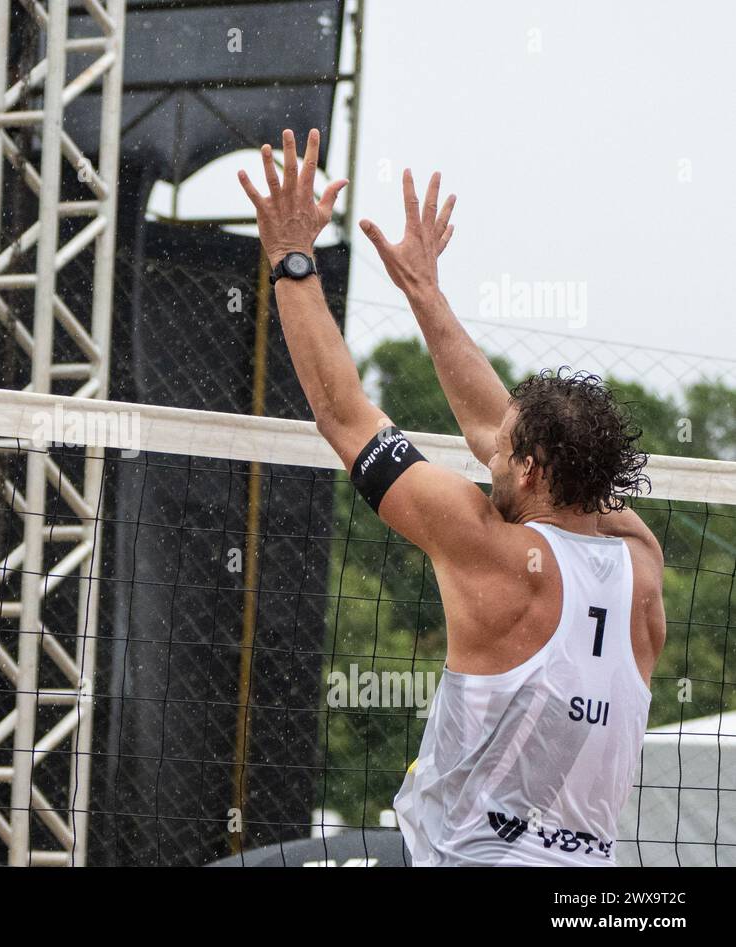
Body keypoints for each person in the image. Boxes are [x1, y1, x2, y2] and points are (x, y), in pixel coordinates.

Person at [238, 129, 665, 865]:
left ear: (529, 472)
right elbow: (495, 428)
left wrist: (291, 256)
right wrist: (424, 293)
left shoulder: (488, 549)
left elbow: (343, 415)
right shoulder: (642, 561)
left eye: (504, 453)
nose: (486, 452)